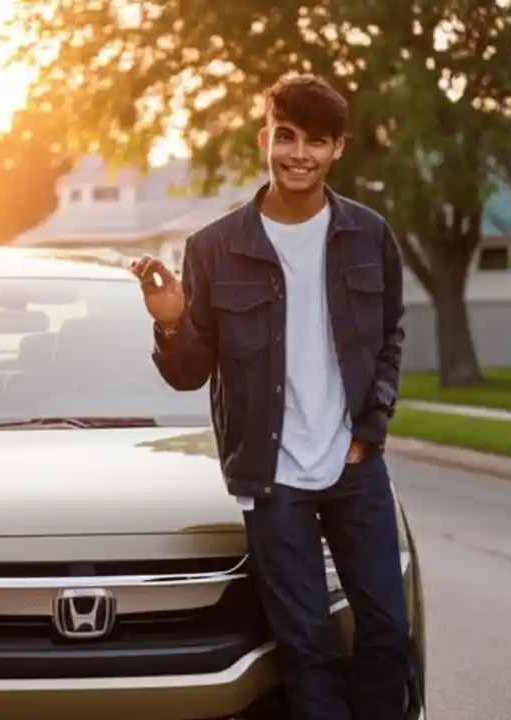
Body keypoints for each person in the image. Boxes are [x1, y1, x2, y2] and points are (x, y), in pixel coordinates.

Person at [130, 74, 408, 720]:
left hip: (354, 469)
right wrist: (172, 319)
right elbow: (191, 372)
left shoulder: (370, 236)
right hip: (272, 475)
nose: (299, 154)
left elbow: (389, 336)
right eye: (287, 137)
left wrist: (370, 429)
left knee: (388, 631)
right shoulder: (215, 249)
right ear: (266, 138)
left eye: (317, 141)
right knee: (306, 644)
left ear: (339, 148)